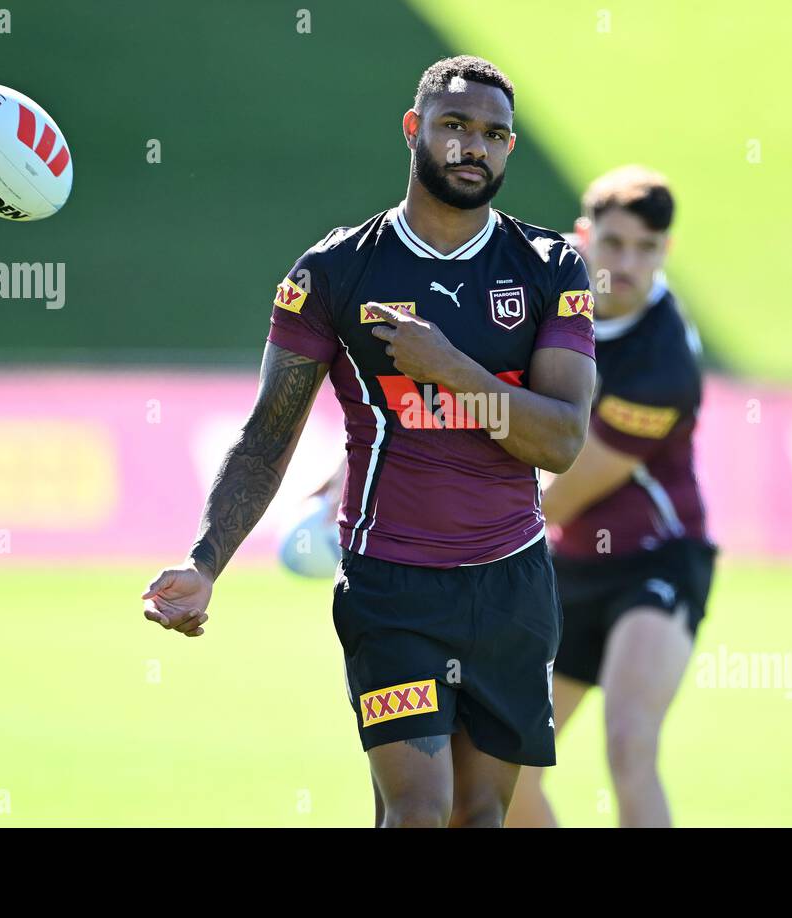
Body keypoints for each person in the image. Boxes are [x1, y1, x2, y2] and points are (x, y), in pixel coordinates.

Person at [139, 56, 596, 828]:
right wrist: (205, 559)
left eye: (493, 134)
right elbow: (266, 437)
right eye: (454, 126)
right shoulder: (336, 272)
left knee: (480, 816)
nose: (472, 147)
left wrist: (446, 366)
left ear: (510, 149)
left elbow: (559, 439)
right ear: (415, 130)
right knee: (418, 810)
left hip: (513, 586)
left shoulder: (552, 268)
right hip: (393, 587)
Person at [506, 166, 715, 828]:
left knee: (629, 745)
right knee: (499, 772)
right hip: (567, 572)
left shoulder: (663, 363)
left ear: (665, 252)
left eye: (646, 249)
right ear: (584, 236)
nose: (627, 264)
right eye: (615, 244)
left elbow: (562, 495)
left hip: (656, 561)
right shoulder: (541, 292)